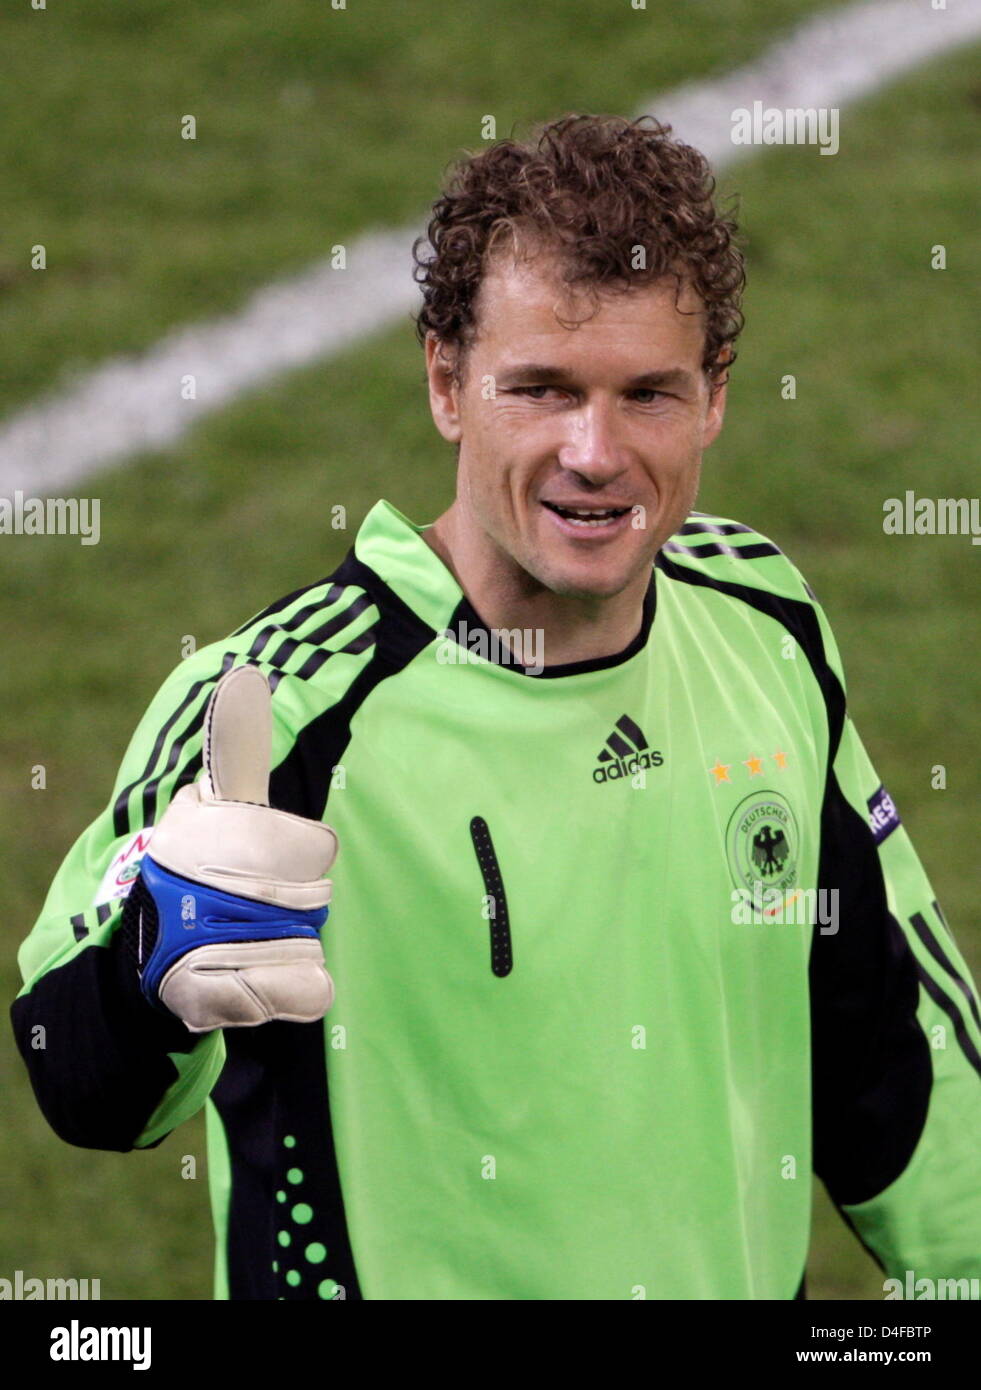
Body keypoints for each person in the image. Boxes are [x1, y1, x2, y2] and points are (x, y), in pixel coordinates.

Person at [11, 113, 981, 1301]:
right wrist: (155, 953)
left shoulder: (761, 623)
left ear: (716, 397)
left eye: (648, 394)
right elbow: (75, 1073)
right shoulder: (285, 705)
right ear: (446, 382)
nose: (596, 451)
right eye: (542, 388)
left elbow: (893, 1044)